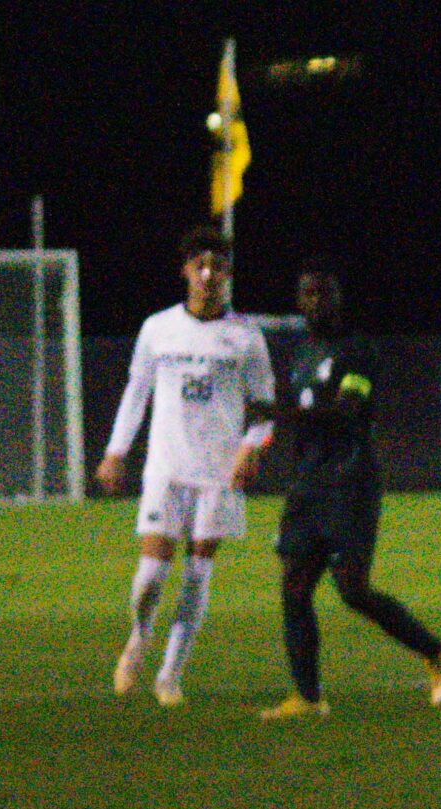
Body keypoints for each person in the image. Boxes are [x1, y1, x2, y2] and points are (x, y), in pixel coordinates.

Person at [253, 258, 441, 720]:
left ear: (338, 299)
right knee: (294, 586)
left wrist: (278, 414)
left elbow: (346, 411)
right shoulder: (301, 357)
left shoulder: (360, 352)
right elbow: (303, 422)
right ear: (298, 302)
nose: (315, 302)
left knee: (353, 591)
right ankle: (308, 697)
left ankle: (436, 651)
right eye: (307, 293)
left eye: (324, 293)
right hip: (308, 485)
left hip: (349, 481)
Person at [93, 226, 275, 708]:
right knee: (152, 575)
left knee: (197, 574)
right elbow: (137, 392)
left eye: (218, 265)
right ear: (186, 271)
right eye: (201, 265)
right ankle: (139, 635)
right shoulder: (157, 328)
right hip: (166, 467)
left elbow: (264, 406)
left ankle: (170, 675)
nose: (209, 274)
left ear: (228, 273)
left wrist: (251, 446)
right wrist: (116, 451)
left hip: (218, 473)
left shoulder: (246, 337)